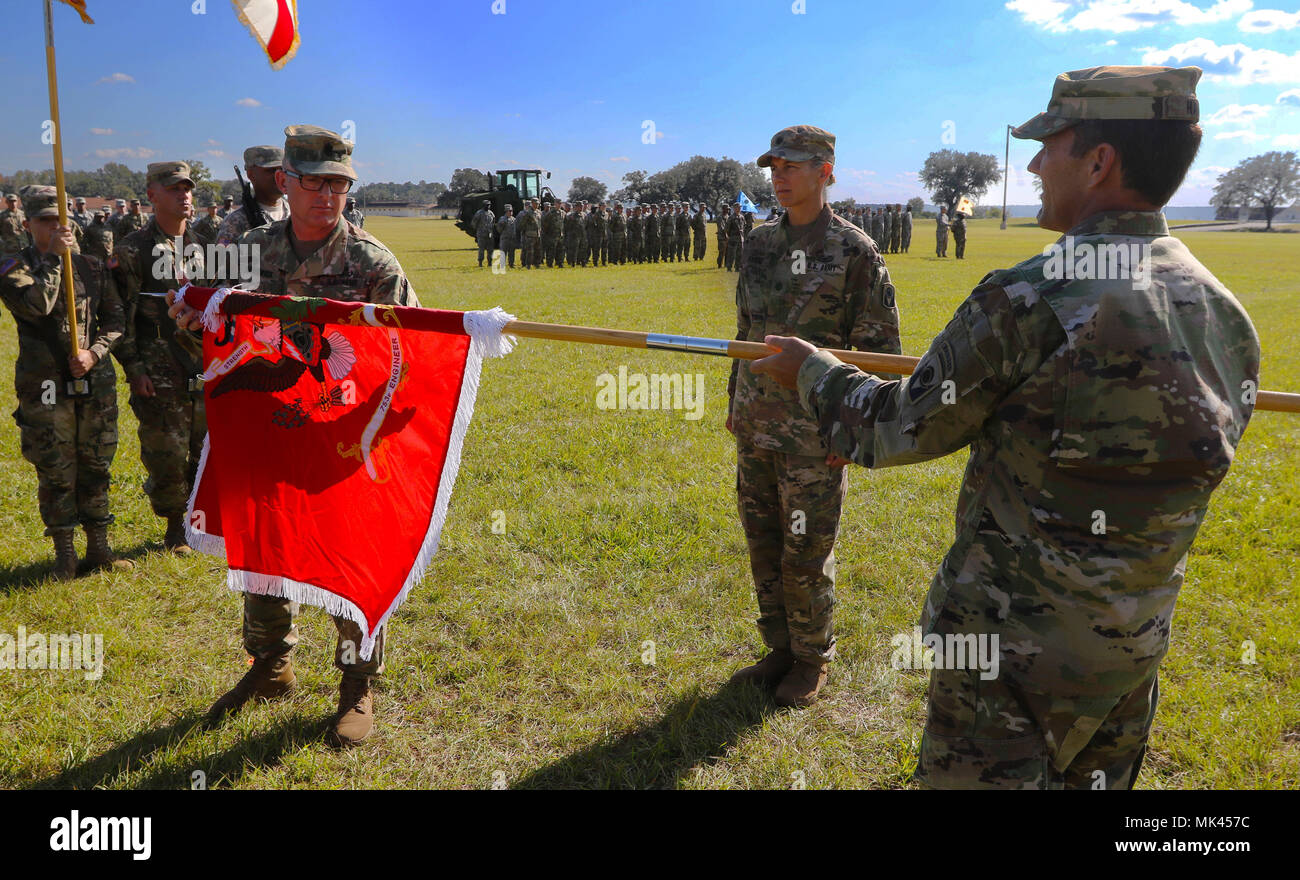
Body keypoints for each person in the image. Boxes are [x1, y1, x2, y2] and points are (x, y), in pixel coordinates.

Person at [750, 66, 1260, 788]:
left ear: (1098, 161)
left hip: (1009, 656)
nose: (1032, 163)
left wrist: (813, 370)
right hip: (1126, 652)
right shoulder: (1223, 313)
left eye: (1047, 143)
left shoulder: (1029, 297)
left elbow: (898, 427)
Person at [171, 124, 419, 748]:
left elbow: (405, 352)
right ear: (285, 182)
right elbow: (212, 324)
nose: (327, 195)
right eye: (314, 182)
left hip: (337, 436)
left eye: (338, 184)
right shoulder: (248, 250)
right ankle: (269, 664)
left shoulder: (372, 263)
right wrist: (189, 318)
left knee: (344, 554)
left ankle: (357, 681)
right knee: (263, 546)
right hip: (267, 431)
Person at [728, 125, 901, 707]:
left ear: (827, 169)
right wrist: (736, 402)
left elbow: (878, 350)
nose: (779, 176)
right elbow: (745, 331)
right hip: (757, 422)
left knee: (806, 551)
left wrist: (849, 427)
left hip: (815, 430)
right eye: (773, 166)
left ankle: (810, 658)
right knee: (763, 541)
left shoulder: (854, 251)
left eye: (792, 166)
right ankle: (778, 646)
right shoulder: (756, 244)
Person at [0, 185, 133, 579]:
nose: (58, 227)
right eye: (46, 220)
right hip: (45, 386)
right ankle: (65, 555)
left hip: (95, 382)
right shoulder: (13, 267)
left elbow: (115, 321)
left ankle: (99, 548)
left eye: (62, 219)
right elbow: (36, 306)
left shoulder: (92, 266)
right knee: (56, 467)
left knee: (96, 462)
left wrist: (93, 353)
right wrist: (56, 261)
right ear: (28, 225)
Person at [110, 162, 209, 553]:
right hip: (159, 368)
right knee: (166, 449)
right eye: (173, 189)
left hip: (203, 367)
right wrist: (135, 370)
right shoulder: (132, 250)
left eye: (187, 188)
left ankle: (198, 521)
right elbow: (119, 315)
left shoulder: (205, 247)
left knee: (203, 449)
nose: (184, 195)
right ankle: (174, 527)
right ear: (152, 195)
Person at [217, 145, 290, 245]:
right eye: (271, 170)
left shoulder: (297, 213)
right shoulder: (234, 223)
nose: (278, 175)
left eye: (282, 170)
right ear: (251, 174)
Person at [472, 199, 495, 267]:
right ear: (484, 205)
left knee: (490, 249)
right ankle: (480, 263)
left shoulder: (491, 213)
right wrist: (477, 231)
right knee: (481, 249)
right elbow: (474, 223)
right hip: (481, 235)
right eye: (487, 205)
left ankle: (490, 263)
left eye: (489, 205)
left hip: (489, 235)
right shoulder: (479, 213)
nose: (488, 206)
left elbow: (493, 222)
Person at [496, 204, 518, 268]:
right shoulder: (502, 219)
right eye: (509, 211)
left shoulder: (514, 219)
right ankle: (502, 265)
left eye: (511, 211)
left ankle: (511, 264)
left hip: (512, 239)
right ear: (506, 211)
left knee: (511, 252)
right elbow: (499, 229)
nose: (511, 212)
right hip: (505, 239)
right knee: (503, 252)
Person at [724, 202, 745, 270]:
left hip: (740, 238)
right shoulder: (731, 218)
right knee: (731, 254)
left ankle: (737, 267)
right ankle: (729, 267)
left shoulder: (742, 217)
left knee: (740, 254)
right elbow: (727, 229)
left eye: (740, 207)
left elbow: (744, 226)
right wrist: (729, 236)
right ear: (734, 208)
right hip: (733, 238)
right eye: (738, 207)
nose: (739, 209)